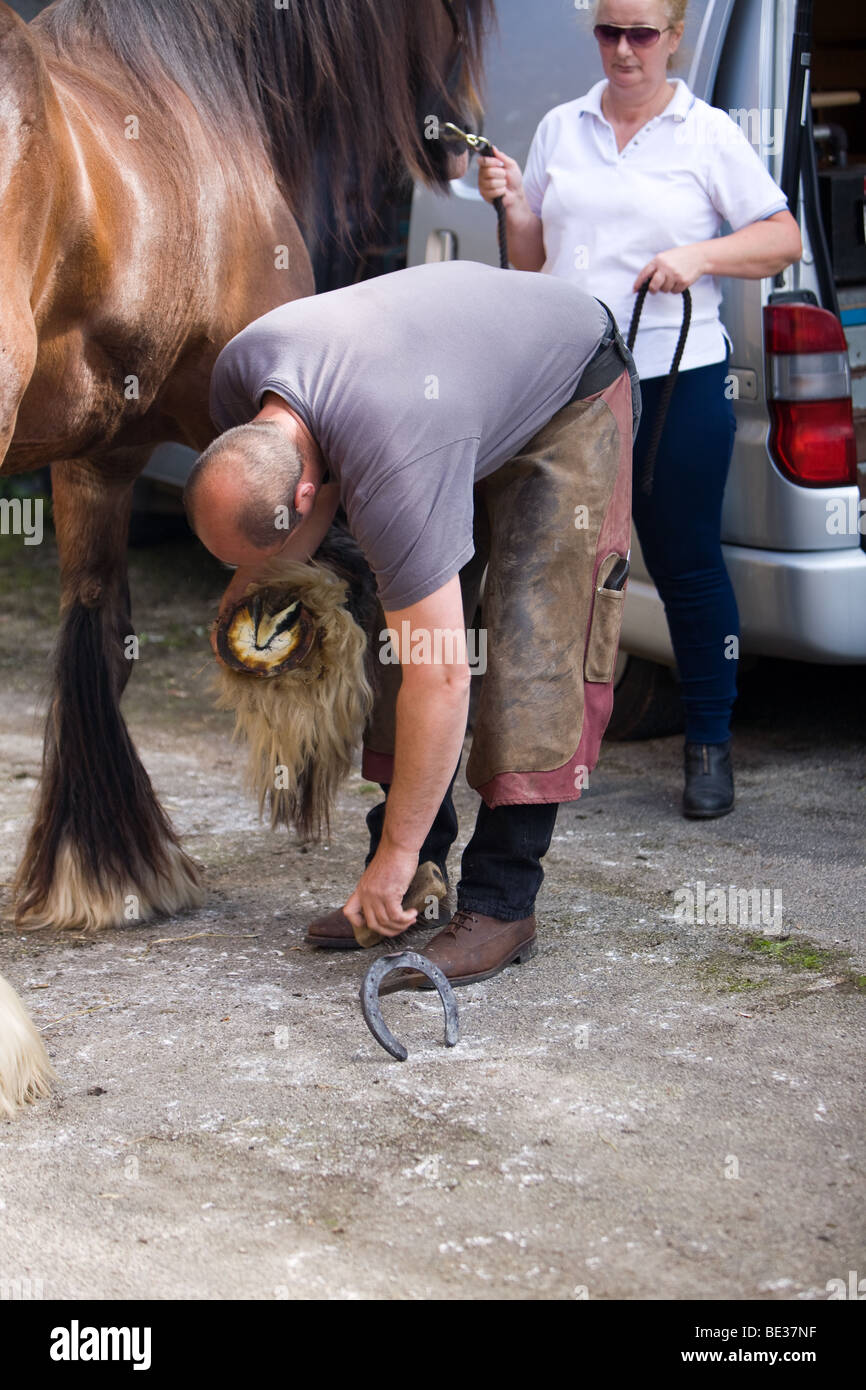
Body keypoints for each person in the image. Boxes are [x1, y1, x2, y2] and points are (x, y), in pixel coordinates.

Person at [184, 259, 637, 986]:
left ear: (296, 492)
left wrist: (388, 857)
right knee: (398, 636)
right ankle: (414, 879)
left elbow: (445, 677)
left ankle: (500, 902)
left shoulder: (395, 456)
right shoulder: (242, 379)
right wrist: (242, 593)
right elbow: (314, 495)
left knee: (531, 642)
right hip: (450, 393)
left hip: (566, 391)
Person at [478, 0, 802, 817]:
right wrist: (515, 204)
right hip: (575, 378)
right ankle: (549, 750)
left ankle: (708, 745)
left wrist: (699, 255)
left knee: (685, 560)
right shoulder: (563, 125)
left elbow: (782, 237)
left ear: (675, 37)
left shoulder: (708, 133)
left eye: (642, 34)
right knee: (559, 564)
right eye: (609, 32)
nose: (624, 50)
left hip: (676, 375)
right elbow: (535, 258)